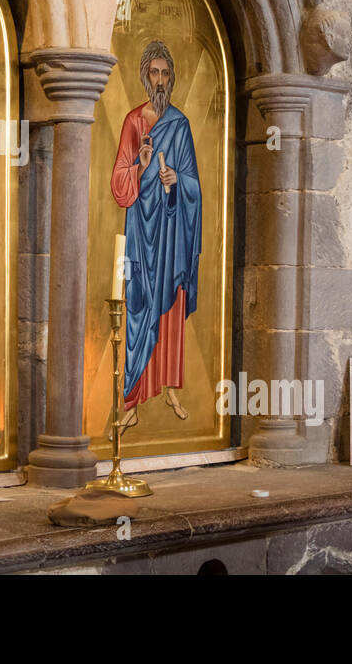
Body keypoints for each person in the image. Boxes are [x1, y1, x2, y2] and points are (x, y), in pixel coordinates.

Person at [109, 39, 202, 434]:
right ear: (145, 76)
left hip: (171, 230)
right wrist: (141, 166)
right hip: (140, 231)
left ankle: (168, 387)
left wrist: (176, 179)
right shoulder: (133, 122)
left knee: (171, 308)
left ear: (172, 78)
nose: (160, 80)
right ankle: (131, 399)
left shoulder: (179, 124)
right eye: (154, 73)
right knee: (139, 305)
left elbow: (194, 184)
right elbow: (119, 183)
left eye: (166, 74)